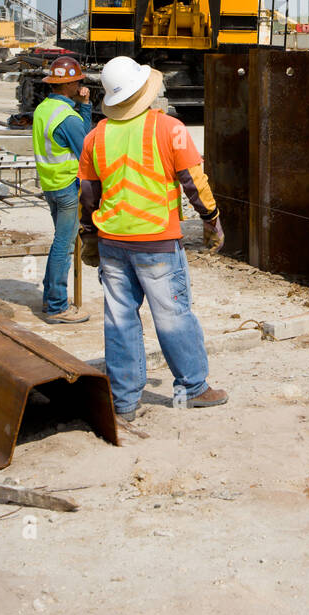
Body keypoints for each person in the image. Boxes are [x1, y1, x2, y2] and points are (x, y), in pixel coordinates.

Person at [78, 55, 226, 421]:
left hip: (113, 243)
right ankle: (193, 387)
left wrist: (88, 236)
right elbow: (194, 181)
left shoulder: (95, 137)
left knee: (120, 319)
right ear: (147, 90)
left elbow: (88, 194)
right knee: (173, 316)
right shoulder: (170, 128)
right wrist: (212, 220)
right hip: (157, 242)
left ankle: (124, 401)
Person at [31, 56, 92, 324]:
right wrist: (86, 107)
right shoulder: (68, 117)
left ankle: (49, 297)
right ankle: (57, 306)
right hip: (67, 187)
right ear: (69, 85)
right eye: (78, 81)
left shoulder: (44, 109)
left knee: (60, 242)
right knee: (63, 246)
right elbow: (86, 151)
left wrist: (83, 106)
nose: (80, 84)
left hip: (49, 185)